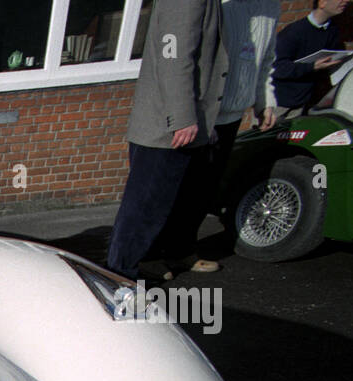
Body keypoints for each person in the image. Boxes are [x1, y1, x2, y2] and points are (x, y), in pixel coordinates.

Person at [155, 0, 281, 276]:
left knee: (202, 191)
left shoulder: (271, 7)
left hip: (233, 114)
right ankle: (151, 255)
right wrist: (191, 112)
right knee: (175, 188)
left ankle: (181, 252)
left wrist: (264, 101)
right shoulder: (222, 4)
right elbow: (191, 55)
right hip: (203, 111)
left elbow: (266, 58)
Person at [106, 0, 229, 282]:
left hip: (182, 124)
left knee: (170, 204)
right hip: (165, 128)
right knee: (143, 210)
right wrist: (183, 116)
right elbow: (173, 55)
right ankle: (119, 277)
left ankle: (149, 261)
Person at [272, 0, 349, 117]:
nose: (345, 1)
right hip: (279, 104)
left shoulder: (332, 32)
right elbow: (276, 68)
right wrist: (312, 67)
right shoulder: (294, 32)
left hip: (304, 104)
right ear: (322, 3)